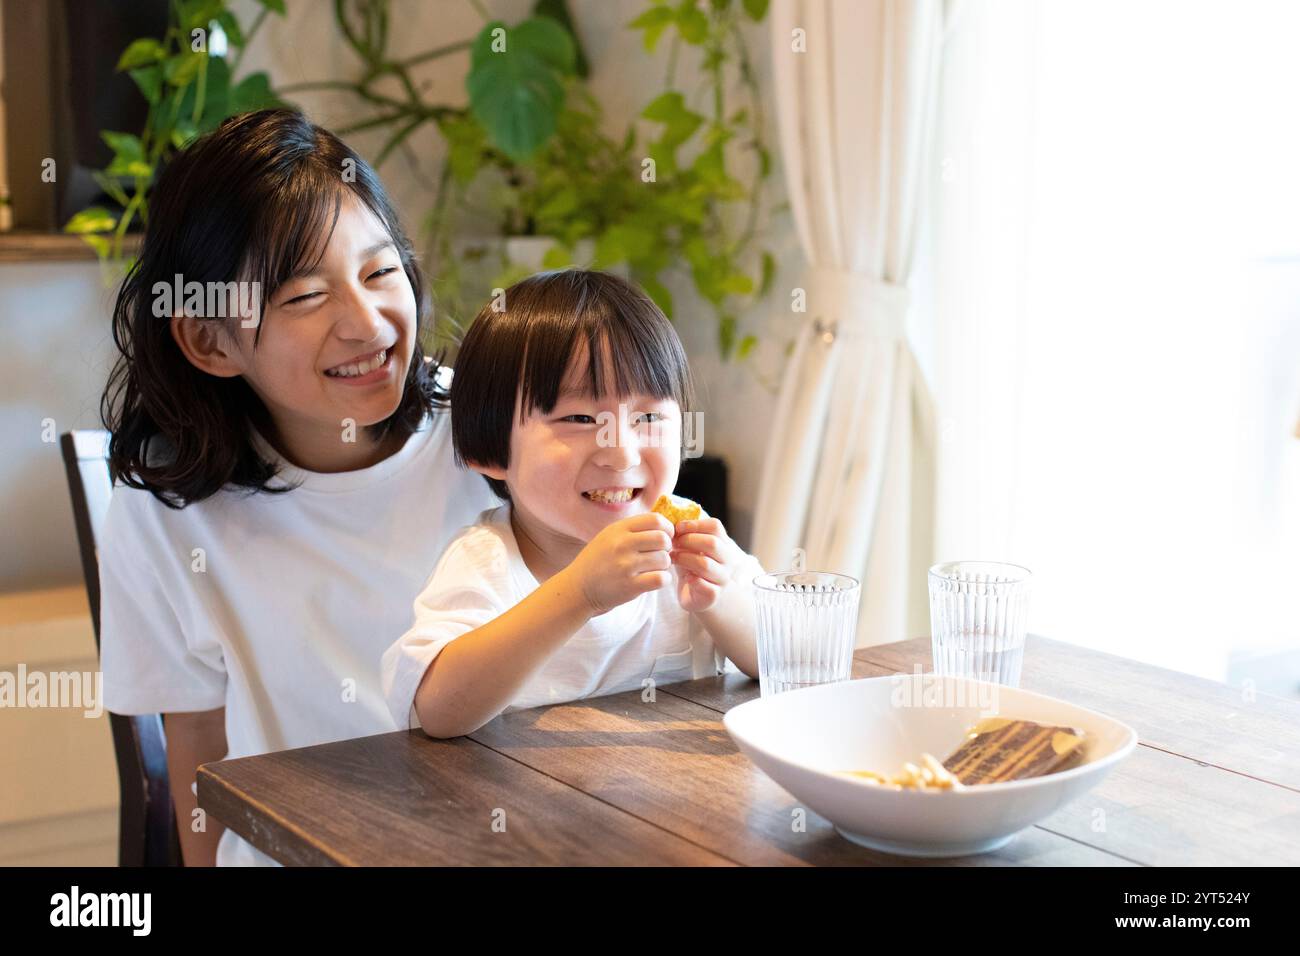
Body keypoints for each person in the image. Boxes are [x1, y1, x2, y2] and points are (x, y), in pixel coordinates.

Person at [98, 109, 497, 866]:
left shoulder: (490, 433)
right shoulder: (164, 512)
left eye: (381, 272)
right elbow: (201, 759)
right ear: (210, 340)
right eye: (305, 298)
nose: (367, 324)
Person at [382, 270, 762, 739]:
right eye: (580, 418)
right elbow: (439, 712)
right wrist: (581, 594)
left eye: (647, 416)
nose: (621, 452)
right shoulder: (486, 562)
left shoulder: (692, 535)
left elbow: (781, 661)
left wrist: (719, 600)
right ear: (491, 450)